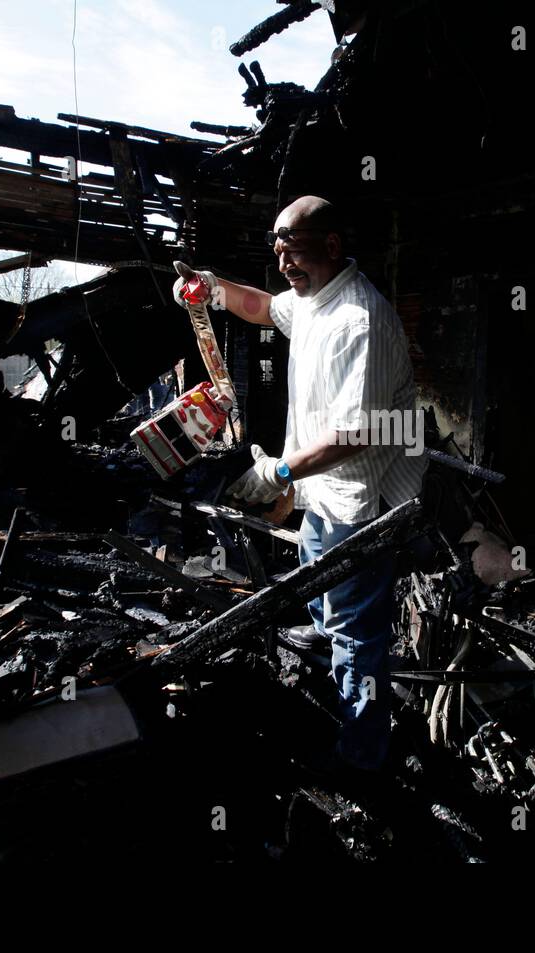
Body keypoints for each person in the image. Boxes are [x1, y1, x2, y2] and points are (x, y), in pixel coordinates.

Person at [171, 195, 425, 772]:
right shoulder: (314, 299)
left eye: (294, 245)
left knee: (358, 633)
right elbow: (263, 307)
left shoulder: (359, 319)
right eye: (277, 247)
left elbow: (356, 432)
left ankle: (362, 757)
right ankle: (322, 659)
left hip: (363, 502)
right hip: (323, 492)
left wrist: (278, 472)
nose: (283, 259)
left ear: (332, 246)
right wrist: (211, 289)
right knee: (318, 588)